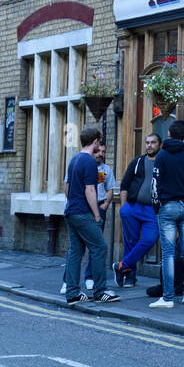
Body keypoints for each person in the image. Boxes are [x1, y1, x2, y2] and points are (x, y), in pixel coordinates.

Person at [150, 119, 184, 308]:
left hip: (168, 207)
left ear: (170, 135)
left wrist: (157, 206)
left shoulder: (162, 155)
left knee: (169, 254)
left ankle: (168, 298)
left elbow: (155, 185)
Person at [63, 128, 120, 304]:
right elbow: (90, 190)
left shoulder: (74, 159)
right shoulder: (88, 161)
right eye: (98, 142)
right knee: (100, 248)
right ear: (95, 141)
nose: (99, 145)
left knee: (75, 250)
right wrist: (96, 214)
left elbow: (67, 187)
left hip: (71, 211)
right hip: (83, 213)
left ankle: (72, 292)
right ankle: (100, 291)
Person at [114, 133, 161, 288]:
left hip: (152, 211)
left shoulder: (163, 162)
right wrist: (124, 208)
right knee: (130, 242)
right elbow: (125, 185)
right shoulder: (137, 162)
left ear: (159, 145)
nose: (149, 145)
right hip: (133, 207)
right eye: (147, 142)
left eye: (153, 142)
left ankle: (121, 266)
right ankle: (130, 276)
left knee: (149, 239)